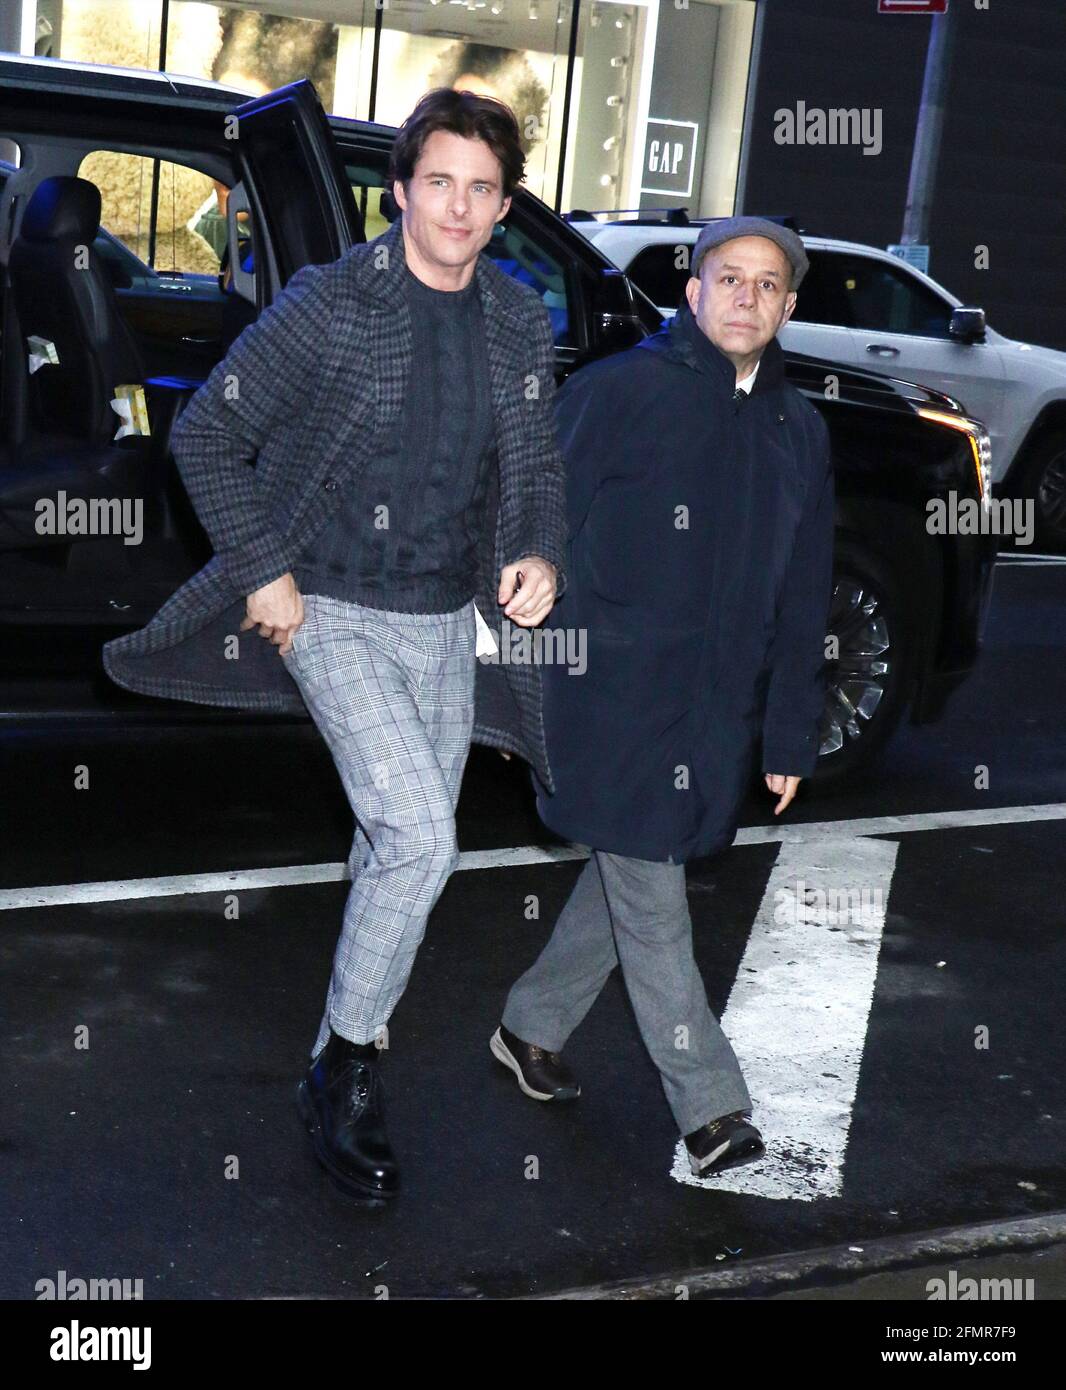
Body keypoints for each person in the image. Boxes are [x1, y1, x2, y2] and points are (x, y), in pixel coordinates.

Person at [102, 90, 566, 1201]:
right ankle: (346, 1069)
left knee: (384, 844)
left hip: (445, 614)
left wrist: (539, 554)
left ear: (503, 207)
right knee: (419, 834)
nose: (457, 207)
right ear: (399, 190)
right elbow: (207, 430)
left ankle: (342, 1036)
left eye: (482, 188)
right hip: (328, 601)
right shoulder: (332, 304)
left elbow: (536, 471)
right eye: (438, 182)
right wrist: (263, 566)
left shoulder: (515, 319)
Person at [491, 217, 835, 1179]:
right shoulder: (619, 391)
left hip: (716, 708)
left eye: (769, 286)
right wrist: (524, 635)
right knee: (651, 889)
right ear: (694, 292)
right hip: (608, 690)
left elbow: (807, 593)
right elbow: (531, 515)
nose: (747, 299)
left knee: (634, 865)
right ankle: (712, 1106)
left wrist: (789, 735)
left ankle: (529, 1026)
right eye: (730, 279)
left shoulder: (798, 430)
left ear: (788, 307)